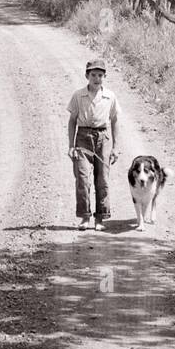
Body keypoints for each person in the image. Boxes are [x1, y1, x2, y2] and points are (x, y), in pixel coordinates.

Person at [67, 58, 121, 231]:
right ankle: (84, 217)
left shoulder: (110, 96)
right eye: (93, 75)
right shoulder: (78, 95)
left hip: (102, 137)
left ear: (104, 76)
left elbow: (115, 121)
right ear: (86, 76)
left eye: (100, 75)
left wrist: (115, 147)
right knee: (82, 179)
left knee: (102, 179)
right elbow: (72, 121)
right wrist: (71, 145)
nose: (97, 79)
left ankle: (100, 218)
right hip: (83, 137)